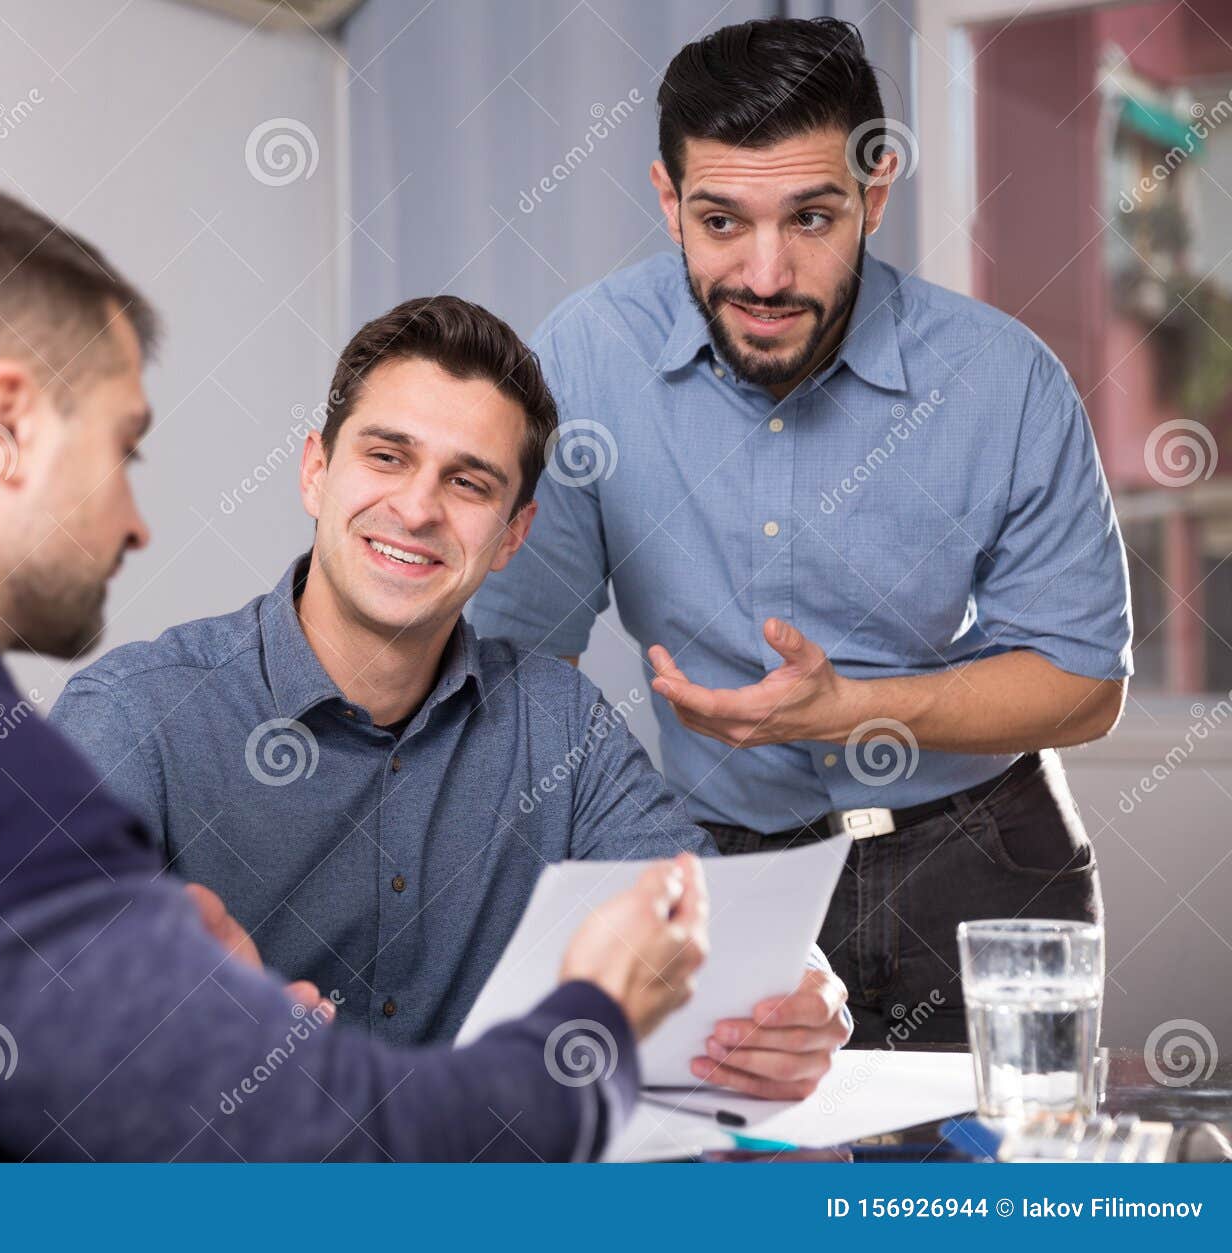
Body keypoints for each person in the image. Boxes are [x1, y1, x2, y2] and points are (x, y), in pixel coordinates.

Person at [0, 180, 709, 1162]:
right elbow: (333, 1160)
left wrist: (179, 1010)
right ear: (2, 423)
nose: (138, 522)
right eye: (125, 447)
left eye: (468, 482)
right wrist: (598, 1013)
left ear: (515, 528)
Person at [469, 17, 1132, 1045]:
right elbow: (519, 659)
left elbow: (1083, 684)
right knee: (742, 1195)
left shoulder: (1003, 380)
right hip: (723, 868)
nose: (766, 275)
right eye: (721, 221)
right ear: (666, 200)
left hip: (978, 856)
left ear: (873, 194)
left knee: (1007, 1185)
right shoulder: (586, 356)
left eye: (811, 219)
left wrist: (845, 709)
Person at [52, 295, 851, 1100]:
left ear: (513, 533)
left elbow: (712, 926)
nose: (418, 508)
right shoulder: (135, 717)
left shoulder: (562, 724)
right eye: (388, 456)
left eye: (468, 482)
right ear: (315, 471)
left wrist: (804, 992)